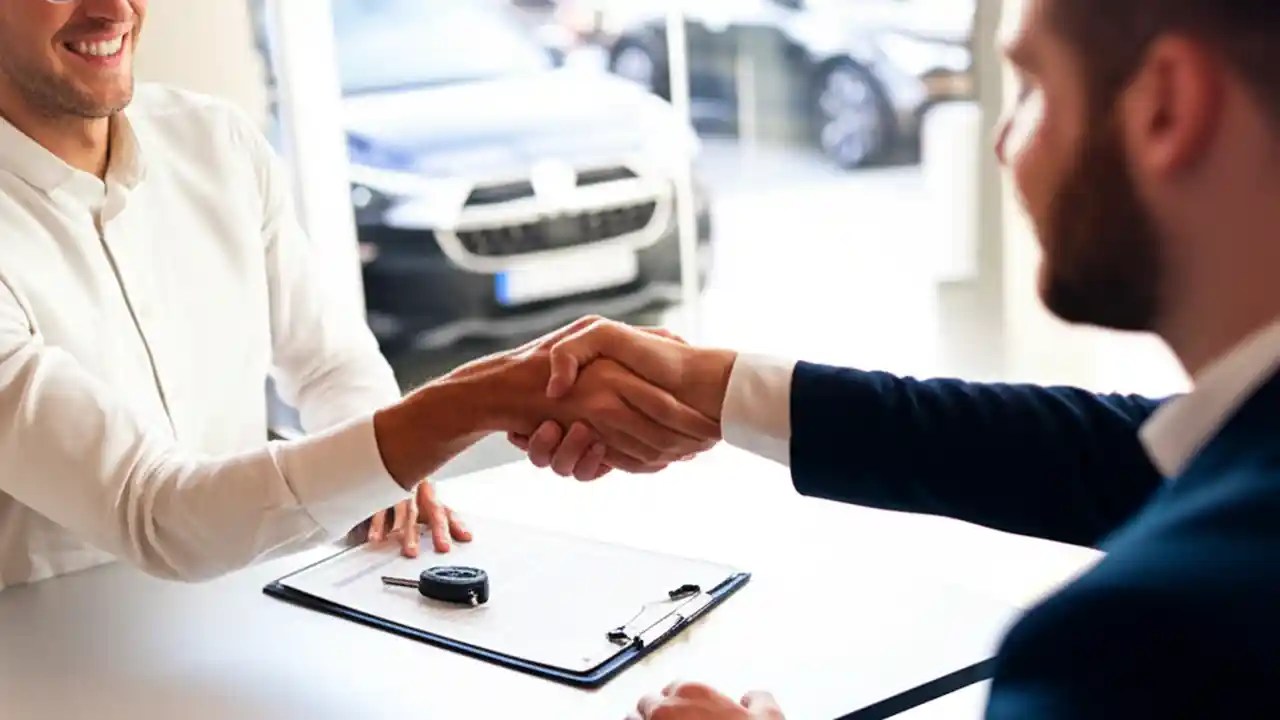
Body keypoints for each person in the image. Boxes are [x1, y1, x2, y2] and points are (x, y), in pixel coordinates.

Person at [517, 0, 1280, 716]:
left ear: (1167, 108)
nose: (1006, 144)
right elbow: (1119, 454)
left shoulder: (1139, 646)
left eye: (1035, 89)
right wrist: (723, 391)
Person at [0, 0, 718, 591]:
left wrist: (382, 478)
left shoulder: (214, 141)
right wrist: (474, 402)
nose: (112, 9)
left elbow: (329, 363)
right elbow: (158, 513)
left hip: (250, 624)